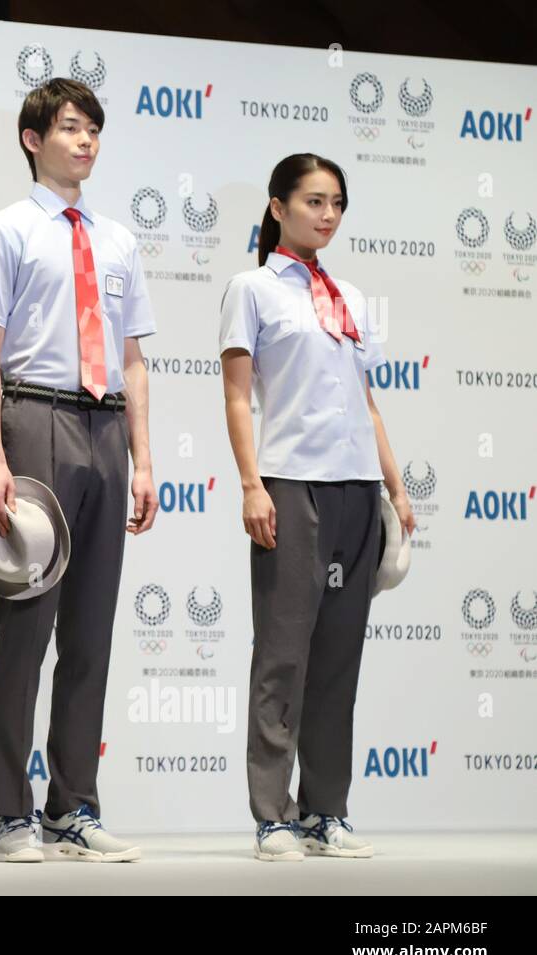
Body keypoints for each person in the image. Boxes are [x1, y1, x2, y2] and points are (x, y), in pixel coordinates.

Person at [0, 78, 158, 863]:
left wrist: (145, 460)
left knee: (91, 634)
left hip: (107, 425)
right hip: (34, 415)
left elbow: (137, 360)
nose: (85, 143)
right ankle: (12, 813)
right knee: (27, 628)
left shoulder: (118, 240)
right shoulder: (5, 231)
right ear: (32, 138)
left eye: (93, 131)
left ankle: (72, 806)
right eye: (72, 128)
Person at [218, 152, 416, 861]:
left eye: (336, 203)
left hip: (357, 491)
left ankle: (324, 811)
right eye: (312, 201)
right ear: (277, 207)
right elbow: (238, 396)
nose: (326, 214)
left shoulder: (353, 298)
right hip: (289, 482)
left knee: (339, 658)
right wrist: (250, 484)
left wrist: (394, 487)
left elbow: (367, 402)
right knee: (282, 655)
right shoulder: (252, 289)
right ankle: (272, 814)